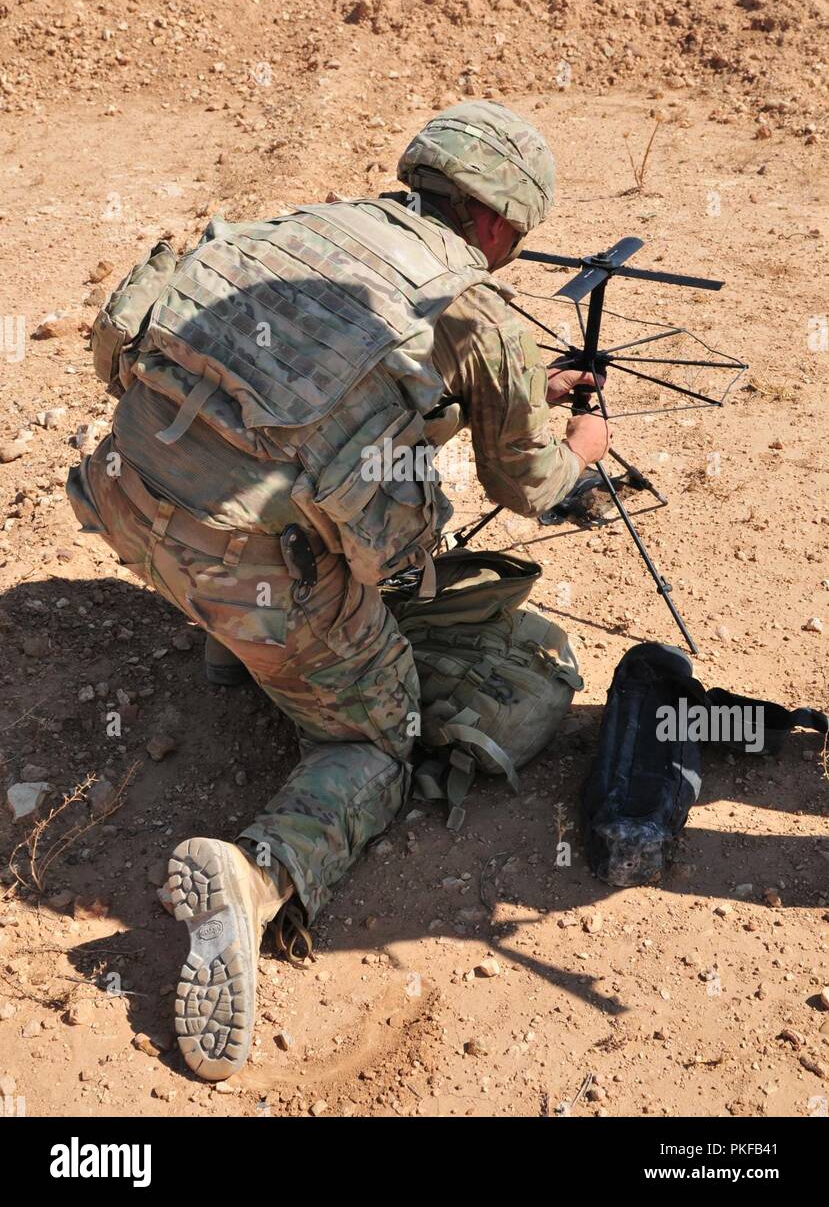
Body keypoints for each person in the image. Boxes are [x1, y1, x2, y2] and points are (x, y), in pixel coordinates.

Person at [67, 101, 610, 1080]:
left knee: (256, 509)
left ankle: (226, 652)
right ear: (496, 224)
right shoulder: (474, 310)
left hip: (128, 505)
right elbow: (529, 486)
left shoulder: (305, 230)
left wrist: (496, 393)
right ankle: (257, 874)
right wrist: (576, 447)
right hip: (256, 580)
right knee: (374, 729)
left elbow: (310, 389)